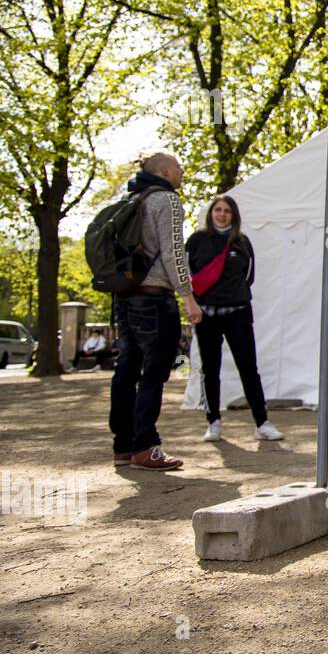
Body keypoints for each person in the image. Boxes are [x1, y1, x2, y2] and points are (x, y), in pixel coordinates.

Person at [109, 153, 203, 471]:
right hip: (153, 298)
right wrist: (187, 296)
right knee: (153, 372)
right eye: (178, 167)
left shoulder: (134, 198)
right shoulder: (167, 200)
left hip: (125, 295)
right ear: (165, 171)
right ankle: (146, 445)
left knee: (126, 369)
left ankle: (123, 445)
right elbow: (174, 251)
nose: (182, 171)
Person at [186, 195, 284, 443]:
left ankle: (262, 423)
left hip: (238, 312)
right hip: (207, 314)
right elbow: (186, 276)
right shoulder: (197, 241)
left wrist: (232, 295)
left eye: (227, 211)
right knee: (210, 370)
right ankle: (213, 422)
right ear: (211, 214)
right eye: (217, 210)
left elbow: (248, 277)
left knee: (249, 368)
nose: (222, 214)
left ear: (234, 215)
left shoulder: (241, 242)